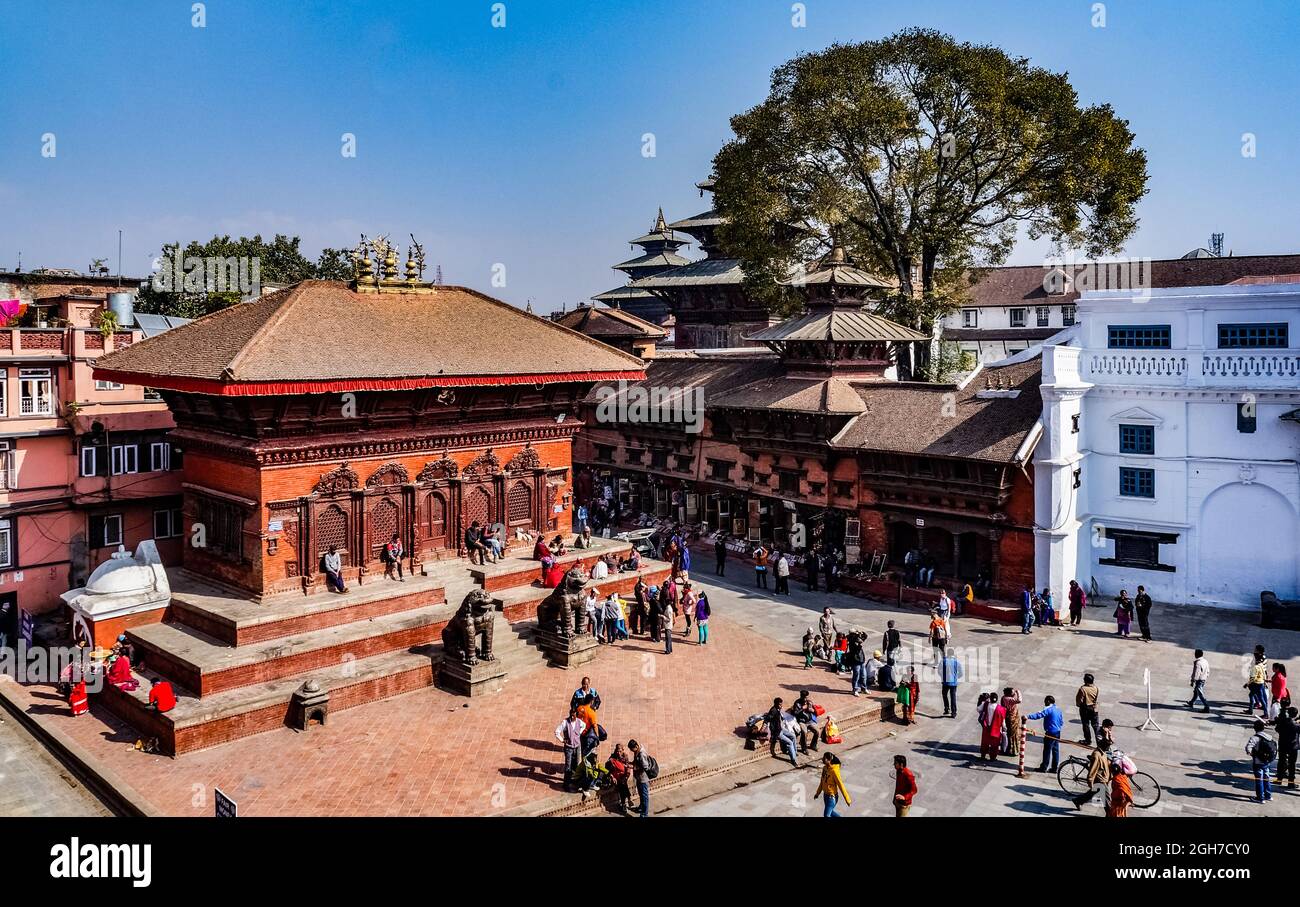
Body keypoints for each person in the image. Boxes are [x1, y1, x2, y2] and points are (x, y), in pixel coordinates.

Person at [1071, 740, 1112, 810]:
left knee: (1093, 792)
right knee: (1107, 799)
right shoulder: (1097, 755)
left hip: (1104, 778)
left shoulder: (1103, 753)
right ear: (1103, 746)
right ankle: (1109, 813)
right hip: (1100, 779)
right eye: (1107, 746)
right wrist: (1090, 780)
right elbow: (1093, 770)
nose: (1108, 748)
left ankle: (1078, 801)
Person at [1027, 696, 1064, 773]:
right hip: (1057, 732)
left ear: (1048, 701)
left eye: (1045, 701)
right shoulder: (1058, 709)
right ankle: (1054, 768)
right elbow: (1061, 722)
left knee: (1047, 750)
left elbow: (1039, 715)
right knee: (1055, 750)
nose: (1044, 703)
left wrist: (1028, 716)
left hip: (1050, 733)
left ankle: (1044, 767)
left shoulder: (1048, 709)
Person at [1246, 719, 1277, 803]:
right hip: (1267, 761)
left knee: (1259, 780)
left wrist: (1252, 753)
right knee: (1266, 778)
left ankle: (1260, 798)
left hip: (1258, 762)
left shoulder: (1254, 738)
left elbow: (1248, 748)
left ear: (1254, 728)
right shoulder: (1268, 736)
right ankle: (1268, 795)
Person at [555, 707, 586, 790]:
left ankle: (575, 780)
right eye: (571, 716)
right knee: (568, 766)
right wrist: (562, 740)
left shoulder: (579, 722)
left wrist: (579, 733)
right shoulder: (565, 722)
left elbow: (584, 725)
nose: (572, 717)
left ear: (576, 715)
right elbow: (557, 732)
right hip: (569, 747)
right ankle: (566, 784)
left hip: (577, 746)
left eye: (574, 716)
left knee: (577, 764)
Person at [815, 752, 851, 817]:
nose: (822, 759)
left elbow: (840, 784)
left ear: (829, 760)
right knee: (830, 812)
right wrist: (817, 793)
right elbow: (822, 782)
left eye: (824, 758)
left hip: (832, 797)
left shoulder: (834, 771)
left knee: (826, 815)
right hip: (825, 796)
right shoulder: (824, 768)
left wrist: (847, 799)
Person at [628, 739, 654, 817]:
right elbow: (637, 761)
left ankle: (644, 814)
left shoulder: (641, 754)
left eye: (632, 749)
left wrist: (634, 767)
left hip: (643, 778)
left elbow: (645, 766)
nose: (632, 751)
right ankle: (641, 807)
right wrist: (631, 763)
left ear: (636, 746)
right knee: (641, 794)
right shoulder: (638, 750)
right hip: (639, 778)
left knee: (644, 796)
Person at [979, 692, 1006, 761]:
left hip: (986, 727)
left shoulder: (985, 704)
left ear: (990, 699)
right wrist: (1004, 727)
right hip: (996, 729)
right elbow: (1003, 720)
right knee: (995, 744)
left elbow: (978, 709)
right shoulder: (1001, 709)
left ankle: (983, 755)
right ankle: (993, 757)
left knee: (985, 742)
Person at [607, 743, 633, 813]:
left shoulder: (625, 756)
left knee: (623, 785)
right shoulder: (613, 757)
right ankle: (628, 799)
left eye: (620, 751)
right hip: (616, 776)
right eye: (617, 751)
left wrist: (626, 776)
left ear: (623, 750)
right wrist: (612, 777)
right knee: (623, 785)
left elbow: (628, 768)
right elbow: (609, 768)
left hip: (623, 776)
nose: (618, 753)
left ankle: (623, 803)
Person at [1277, 707, 1299, 788]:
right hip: (1293, 746)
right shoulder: (1296, 724)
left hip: (1282, 744)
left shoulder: (1283, 721)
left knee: (1281, 762)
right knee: (1292, 765)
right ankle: (1291, 782)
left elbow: (1277, 729)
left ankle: (1279, 780)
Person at [1076, 674, 1101, 746]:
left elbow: (1079, 700)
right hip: (1094, 708)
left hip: (1085, 709)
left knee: (1086, 725)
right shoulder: (1096, 688)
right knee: (1096, 726)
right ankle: (1099, 742)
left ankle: (1088, 740)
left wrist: (1079, 705)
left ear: (1086, 680)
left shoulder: (1083, 689)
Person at [940, 650, 962, 717]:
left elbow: (939, 671)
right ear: (953, 654)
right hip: (953, 683)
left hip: (945, 682)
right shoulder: (957, 662)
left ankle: (946, 709)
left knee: (944, 695)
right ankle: (954, 712)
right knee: (953, 697)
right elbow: (961, 673)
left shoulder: (943, 661)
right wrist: (956, 678)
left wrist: (942, 677)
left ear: (947, 654)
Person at [1247, 651, 1270, 716]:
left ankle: (1251, 710)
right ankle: (1265, 712)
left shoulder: (1256, 667)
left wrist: (1248, 683)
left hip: (1256, 684)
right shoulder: (1261, 665)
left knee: (1253, 695)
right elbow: (1264, 673)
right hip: (1261, 683)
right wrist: (1264, 680)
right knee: (1260, 698)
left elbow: (1253, 678)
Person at [847, 629, 869, 696]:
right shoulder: (852, 639)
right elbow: (857, 642)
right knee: (856, 675)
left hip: (861, 659)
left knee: (864, 675)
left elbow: (865, 637)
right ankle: (855, 689)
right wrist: (857, 635)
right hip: (855, 660)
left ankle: (864, 688)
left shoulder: (856, 638)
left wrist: (862, 632)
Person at [1000, 688, 1022, 756]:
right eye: (1012, 692)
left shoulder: (1003, 697)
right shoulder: (1009, 699)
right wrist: (1018, 692)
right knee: (1013, 734)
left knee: (1011, 733)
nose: (1014, 693)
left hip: (1009, 717)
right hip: (1012, 718)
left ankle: (1010, 748)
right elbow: (1019, 700)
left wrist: (1014, 693)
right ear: (1009, 694)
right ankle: (1013, 750)